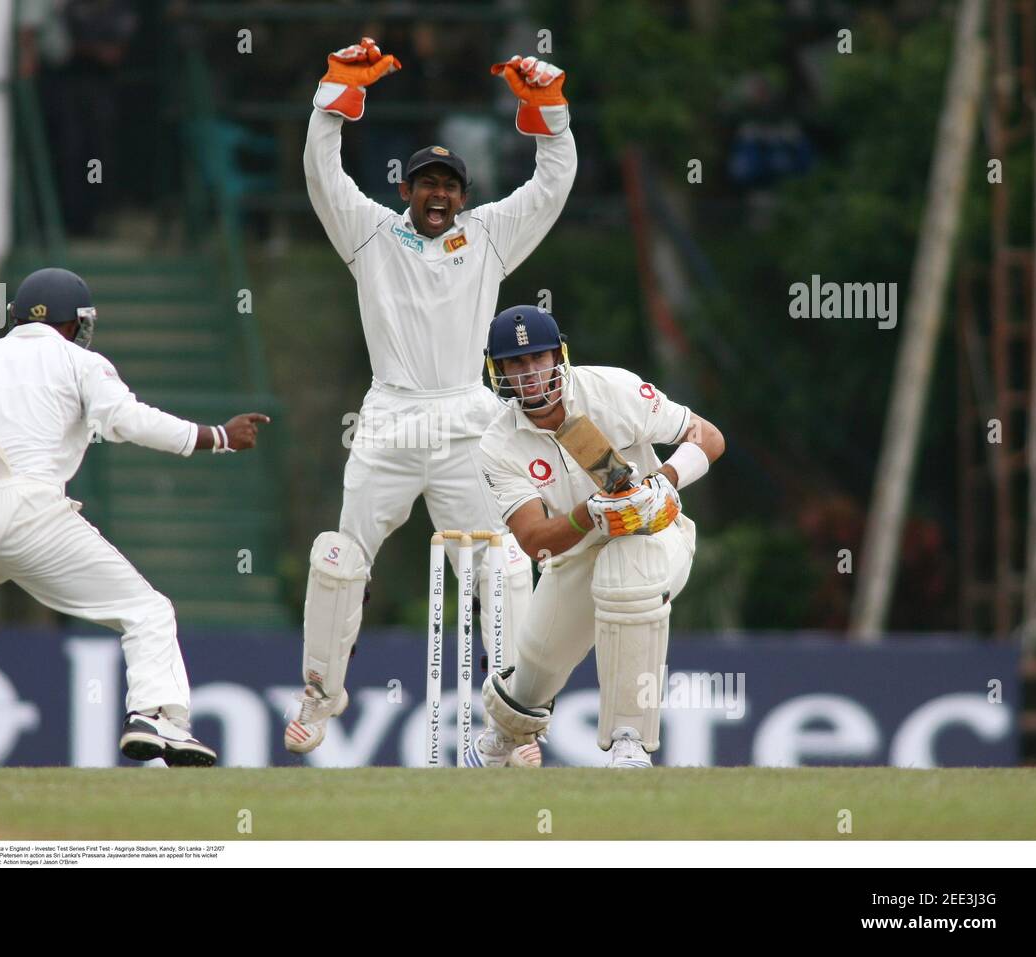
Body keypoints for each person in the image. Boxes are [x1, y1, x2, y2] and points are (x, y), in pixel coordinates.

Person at [287, 39, 577, 763]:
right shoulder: (370, 235)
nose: (439, 194)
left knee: (503, 568)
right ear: (407, 190)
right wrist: (334, 95)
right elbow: (322, 174)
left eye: (450, 183)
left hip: (466, 427)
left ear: (465, 193)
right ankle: (320, 697)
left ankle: (513, 727)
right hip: (387, 423)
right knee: (339, 557)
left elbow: (552, 183)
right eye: (426, 184)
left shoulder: (488, 238)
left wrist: (548, 108)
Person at [0, 268, 270, 769]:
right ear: (73, 323)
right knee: (147, 611)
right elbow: (125, 420)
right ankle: (153, 716)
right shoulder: (79, 360)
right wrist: (217, 436)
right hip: (29, 512)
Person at [469, 305, 725, 768]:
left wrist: (665, 480)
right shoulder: (498, 444)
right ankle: (502, 737)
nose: (530, 373)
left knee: (627, 565)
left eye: (539, 359)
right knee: (533, 676)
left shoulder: (611, 390)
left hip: (658, 536)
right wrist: (591, 514)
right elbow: (533, 539)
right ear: (499, 371)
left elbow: (708, 436)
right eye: (516, 364)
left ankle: (629, 740)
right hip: (575, 554)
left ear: (558, 357)